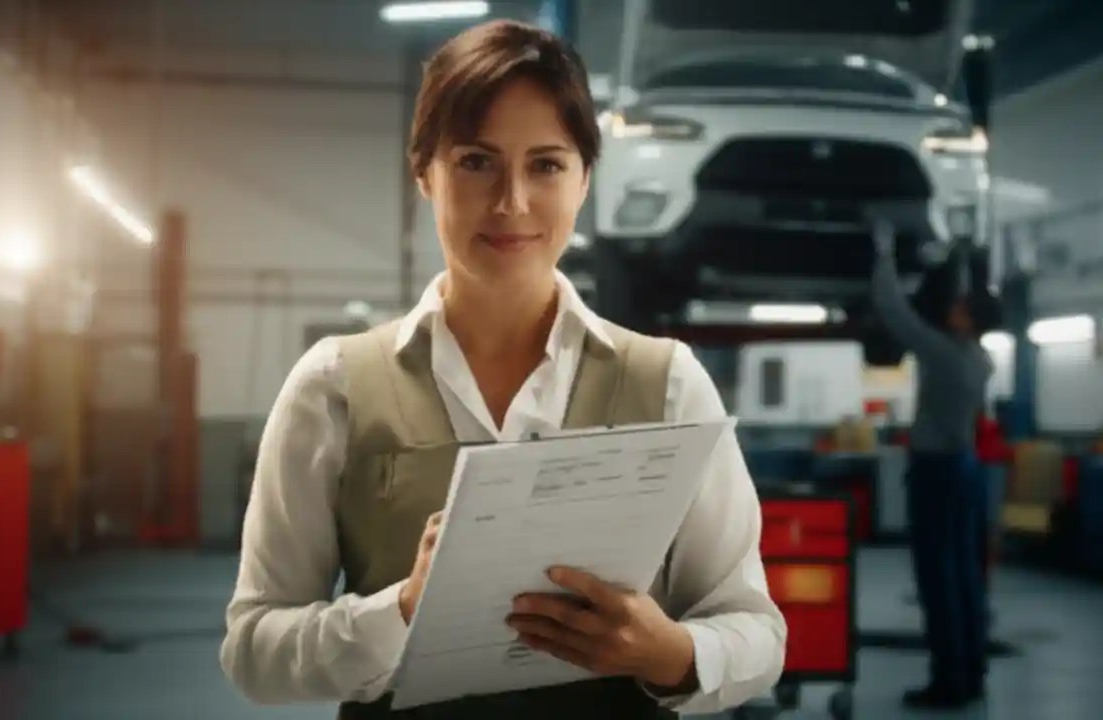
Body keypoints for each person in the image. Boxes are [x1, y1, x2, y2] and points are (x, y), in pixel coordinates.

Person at [220, 20, 785, 720]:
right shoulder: (334, 385)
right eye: (476, 161)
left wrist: (665, 652)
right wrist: (398, 609)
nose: (512, 201)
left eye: (546, 165)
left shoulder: (668, 382)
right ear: (424, 172)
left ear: (584, 181)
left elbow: (757, 631)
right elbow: (253, 648)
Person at [871, 221, 993, 709]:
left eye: (960, 307)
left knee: (937, 580)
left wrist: (883, 254)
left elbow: (894, 312)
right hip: (963, 470)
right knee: (964, 576)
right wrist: (957, 256)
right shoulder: (979, 359)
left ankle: (947, 682)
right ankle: (971, 674)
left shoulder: (944, 355)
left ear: (967, 320)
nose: (952, 308)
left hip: (937, 474)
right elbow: (956, 307)